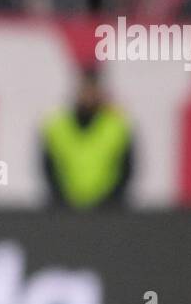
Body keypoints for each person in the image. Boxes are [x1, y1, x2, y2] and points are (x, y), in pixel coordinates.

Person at [41, 68, 134, 209]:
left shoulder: (117, 126)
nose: (88, 95)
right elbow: (48, 168)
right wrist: (61, 198)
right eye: (85, 89)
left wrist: (112, 200)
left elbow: (126, 168)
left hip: (109, 208)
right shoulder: (56, 127)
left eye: (92, 89)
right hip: (64, 208)